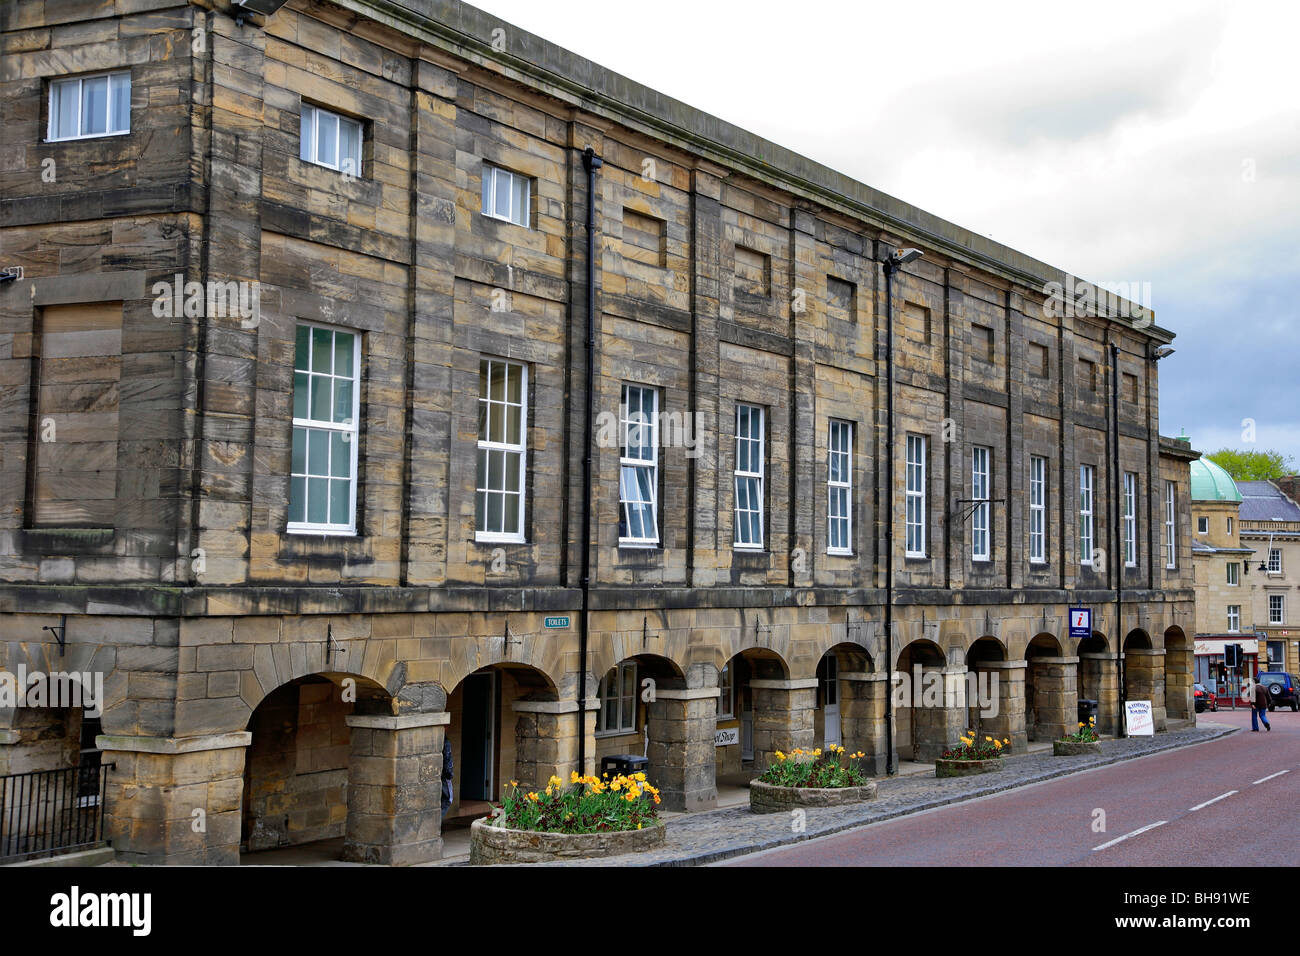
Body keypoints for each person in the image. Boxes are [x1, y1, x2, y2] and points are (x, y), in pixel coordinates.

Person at [441, 737, 454, 816]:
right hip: (444, 775)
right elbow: (447, 758)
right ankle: (436, 823)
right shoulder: (445, 741)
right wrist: (449, 774)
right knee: (448, 799)